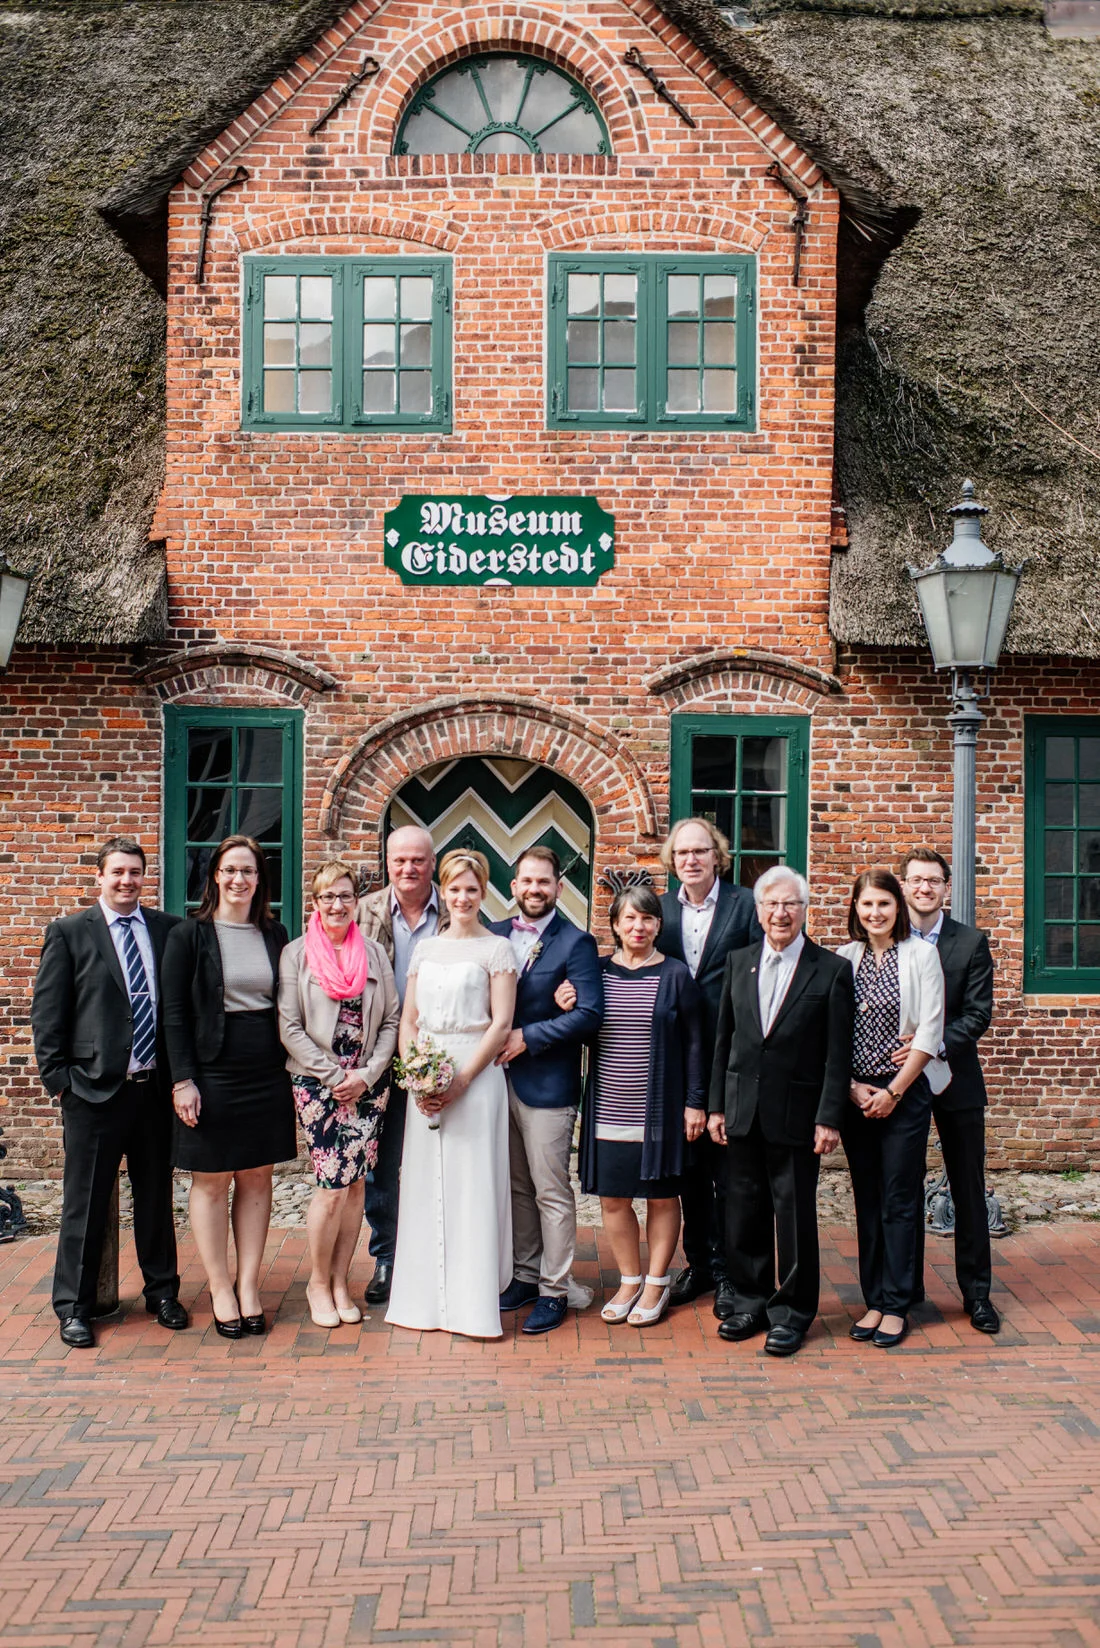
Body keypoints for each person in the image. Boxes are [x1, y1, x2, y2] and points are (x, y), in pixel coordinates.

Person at [31, 836, 186, 1349]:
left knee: (156, 1198)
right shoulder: (71, 933)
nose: (126, 881)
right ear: (99, 877)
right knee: (86, 1202)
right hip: (93, 1093)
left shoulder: (167, 930)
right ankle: (73, 1307)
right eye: (117, 872)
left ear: (146, 877)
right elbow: (48, 1013)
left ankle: (162, 1292)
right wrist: (60, 1082)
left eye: (135, 872)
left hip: (153, 1089)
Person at [706, 867, 855, 1356]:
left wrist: (829, 1116)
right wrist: (715, 1107)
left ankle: (792, 1313)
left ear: (805, 909)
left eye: (790, 904)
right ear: (758, 911)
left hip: (798, 1113)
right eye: (771, 904)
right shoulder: (739, 961)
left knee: (793, 1216)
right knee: (743, 1211)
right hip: (742, 1110)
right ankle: (750, 1301)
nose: (780, 913)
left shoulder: (830, 969)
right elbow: (724, 1041)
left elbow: (838, 1053)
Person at [162, 834, 296, 1339]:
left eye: (249, 871)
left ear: (260, 879)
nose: (239, 879)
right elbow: (172, 1013)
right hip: (211, 1071)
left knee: (258, 1175)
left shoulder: (274, 933)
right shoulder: (188, 935)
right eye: (230, 869)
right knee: (212, 1178)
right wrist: (182, 1080)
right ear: (215, 875)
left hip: (265, 1070)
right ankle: (219, 1287)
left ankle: (248, 1285)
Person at [385, 850, 517, 1338]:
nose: (462, 898)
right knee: (423, 1184)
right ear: (444, 892)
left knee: (471, 1185)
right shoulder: (426, 950)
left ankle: (471, 1302)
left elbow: (501, 1023)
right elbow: (410, 1020)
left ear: (484, 893)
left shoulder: (496, 949)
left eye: (471, 889)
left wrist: (460, 1081)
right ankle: (422, 1299)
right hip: (427, 1079)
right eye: (454, 889)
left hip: (477, 1079)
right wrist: (415, 1075)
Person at [278, 859, 399, 1329]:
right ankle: (316, 1282)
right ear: (315, 902)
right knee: (331, 1188)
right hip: (318, 1085)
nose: (337, 904)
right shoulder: (296, 955)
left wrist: (367, 1075)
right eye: (327, 896)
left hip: (368, 1086)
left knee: (355, 1188)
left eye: (345, 896)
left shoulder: (373, 952)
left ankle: (341, 1281)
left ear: (356, 902)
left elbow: (390, 1020)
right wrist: (334, 1076)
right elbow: (289, 1027)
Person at [579, 884, 706, 1328]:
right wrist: (565, 1001)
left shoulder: (674, 975)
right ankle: (629, 1280)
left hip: (659, 1110)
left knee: (661, 1197)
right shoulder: (594, 973)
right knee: (613, 1199)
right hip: (608, 1108)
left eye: (648, 918)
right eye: (629, 918)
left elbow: (695, 1045)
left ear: (658, 925)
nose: (639, 926)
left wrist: (695, 1104)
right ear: (614, 924)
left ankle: (656, 1281)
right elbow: (577, 1024)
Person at [488, 846, 603, 1334]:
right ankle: (526, 1273)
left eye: (544, 882)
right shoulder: (492, 934)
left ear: (558, 887)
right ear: (513, 887)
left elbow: (589, 1014)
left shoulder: (575, 942)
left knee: (551, 1190)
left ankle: (555, 1290)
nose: (535, 889)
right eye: (526, 881)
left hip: (548, 1084)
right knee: (516, 1187)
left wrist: (529, 1037)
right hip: (494, 1084)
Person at [837, 868, 948, 1348]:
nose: (875, 913)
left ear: (897, 907)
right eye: (867, 905)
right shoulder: (844, 958)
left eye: (884, 904)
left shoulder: (921, 955)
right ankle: (875, 1298)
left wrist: (894, 1092)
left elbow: (930, 1030)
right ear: (856, 911)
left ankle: (898, 1303)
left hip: (904, 1093)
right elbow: (831, 1032)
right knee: (867, 1197)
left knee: (899, 1197)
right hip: (857, 1096)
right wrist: (852, 1088)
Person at [656, 818, 761, 1318]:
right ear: (672, 861)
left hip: (734, 1053)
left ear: (717, 856)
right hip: (678, 1056)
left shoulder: (745, 906)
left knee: (729, 1169)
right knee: (690, 1170)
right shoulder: (658, 912)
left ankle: (730, 1272)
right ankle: (698, 1263)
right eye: (682, 854)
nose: (691, 860)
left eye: (700, 851)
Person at [898, 848, 999, 1334]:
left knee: (968, 1188)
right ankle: (907, 1287)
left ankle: (977, 1294)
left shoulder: (970, 943)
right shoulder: (888, 940)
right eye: (916, 880)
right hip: (899, 1081)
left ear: (946, 888)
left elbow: (978, 1015)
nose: (924, 888)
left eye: (933, 881)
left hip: (955, 1079)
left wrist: (929, 1046)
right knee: (903, 1185)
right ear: (904, 886)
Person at [357, 825, 447, 1305]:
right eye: (400, 861)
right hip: (378, 1054)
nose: (408, 869)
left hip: (441, 1056)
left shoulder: (456, 908)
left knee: (442, 1156)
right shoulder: (363, 912)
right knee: (382, 1164)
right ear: (387, 863)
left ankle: (440, 1254)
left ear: (433, 862)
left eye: (418, 860)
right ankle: (387, 1256)